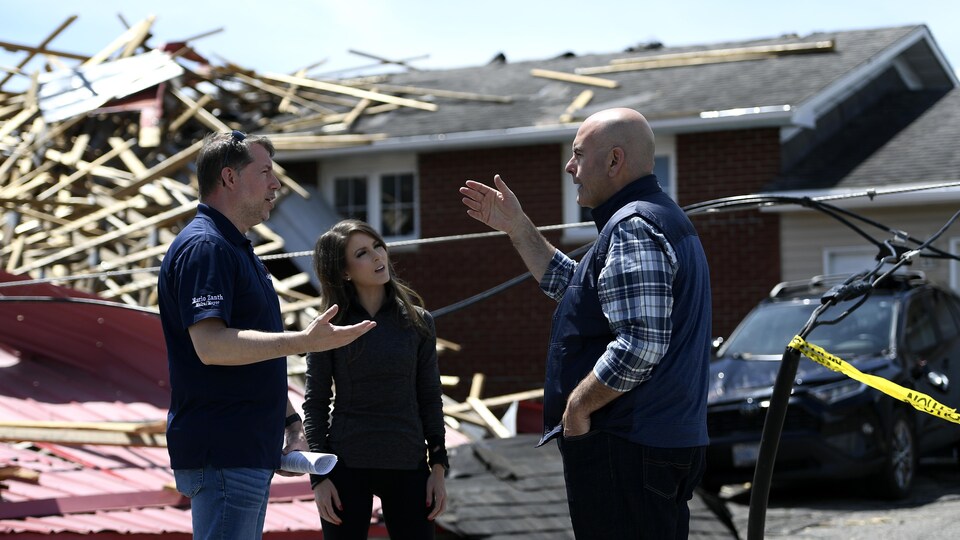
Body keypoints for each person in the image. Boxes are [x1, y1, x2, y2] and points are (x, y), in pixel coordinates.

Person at [459, 108, 712, 539]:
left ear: (615, 161)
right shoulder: (653, 217)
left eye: (578, 154)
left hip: (628, 445)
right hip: (654, 442)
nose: (569, 167)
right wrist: (517, 228)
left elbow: (641, 345)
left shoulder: (635, 226)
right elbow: (576, 288)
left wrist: (577, 409)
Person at [158, 131, 376, 540]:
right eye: (265, 172)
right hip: (225, 450)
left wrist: (290, 421)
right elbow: (211, 346)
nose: (276, 184)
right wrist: (304, 342)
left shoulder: (235, 248)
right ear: (229, 178)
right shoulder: (207, 247)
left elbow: (251, 353)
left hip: (243, 450)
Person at [303, 219, 448, 540]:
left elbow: (430, 397)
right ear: (344, 271)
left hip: (409, 465)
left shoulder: (418, 321)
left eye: (378, 246)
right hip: (345, 467)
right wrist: (318, 478)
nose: (378, 256)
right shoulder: (328, 327)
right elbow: (314, 403)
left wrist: (438, 467)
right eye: (363, 253)